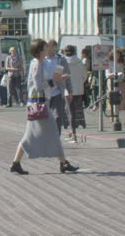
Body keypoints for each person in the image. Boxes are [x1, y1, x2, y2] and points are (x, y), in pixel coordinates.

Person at [9, 38, 79, 175]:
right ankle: (63, 163)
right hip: (38, 103)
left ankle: (16, 163)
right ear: (41, 51)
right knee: (51, 132)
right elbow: (38, 85)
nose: (48, 50)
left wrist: (57, 80)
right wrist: (55, 81)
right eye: (46, 48)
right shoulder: (37, 64)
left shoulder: (40, 62)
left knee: (32, 135)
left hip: (39, 102)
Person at [44, 39, 71, 135]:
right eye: (46, 46)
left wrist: (69, 91)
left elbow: (67, 74)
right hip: (44, 93)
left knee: (57, 116)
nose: (47, 48)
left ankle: (56, 138)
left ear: (55, 47)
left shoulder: (61, 59)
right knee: (45, 118)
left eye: (49, 46)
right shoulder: (41, 60)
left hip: (57, 92)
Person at [63, 45, 87, 143]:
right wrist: (80, 83)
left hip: (68, 90)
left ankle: (73, 134)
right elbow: (84, 76)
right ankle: (72, 132)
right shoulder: (80, 62)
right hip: (79, 89)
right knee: (78, 111)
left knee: (70, 112)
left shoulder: (64, 62)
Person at [104, 49, 125, 124]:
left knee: (120, 99)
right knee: (112, 99)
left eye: (118, 55)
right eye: (115, 55)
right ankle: (112, 117)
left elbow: (124, 73)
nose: (117, 56)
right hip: (112, 81)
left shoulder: (121, 63)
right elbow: (107, 74)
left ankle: (117, 116)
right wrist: (116, 74)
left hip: (121, 82)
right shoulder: (109, 63)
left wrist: (124, 76)